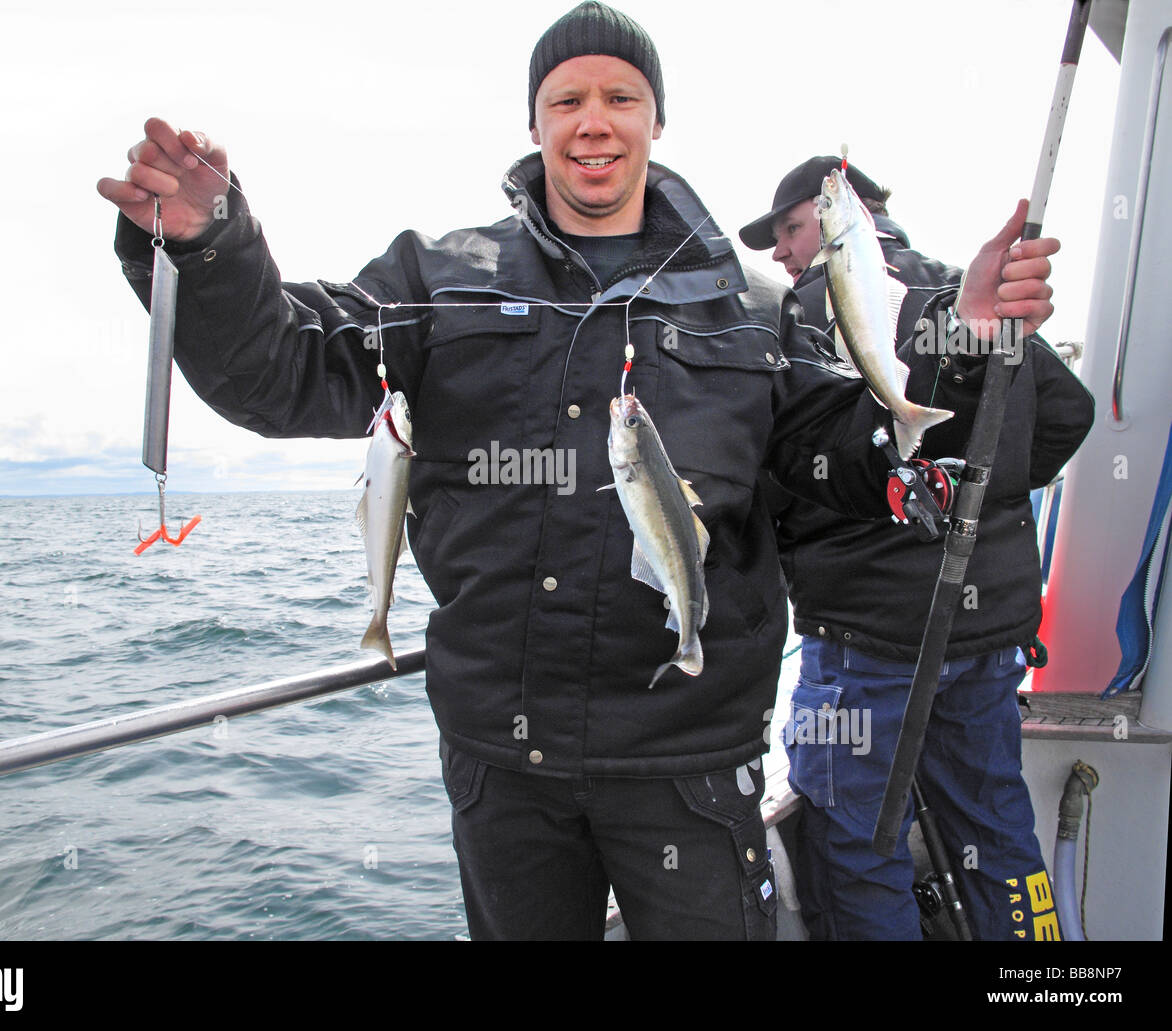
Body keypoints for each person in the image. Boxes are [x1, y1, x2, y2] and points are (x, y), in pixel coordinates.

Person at [98, 4, 1062, 940]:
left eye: (619, 96)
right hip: (501, 768)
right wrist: (208, 244)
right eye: (566, 100)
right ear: (533, 122)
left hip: (689, 762)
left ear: (655, 119)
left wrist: (959, 344)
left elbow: (846, 452)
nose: (593, 121)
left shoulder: (753, 305)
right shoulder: (438, 278)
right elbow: (286, 371)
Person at [740, 156, 1094, 940]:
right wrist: (981, 495)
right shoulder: (971, 296)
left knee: (861, 846)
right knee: (996, 829)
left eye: (792, 228)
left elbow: (780, 458)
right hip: (989, 636)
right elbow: (1068, 412)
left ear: (847, 217)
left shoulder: (806, 311)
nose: (783, 253)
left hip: (867, 641)